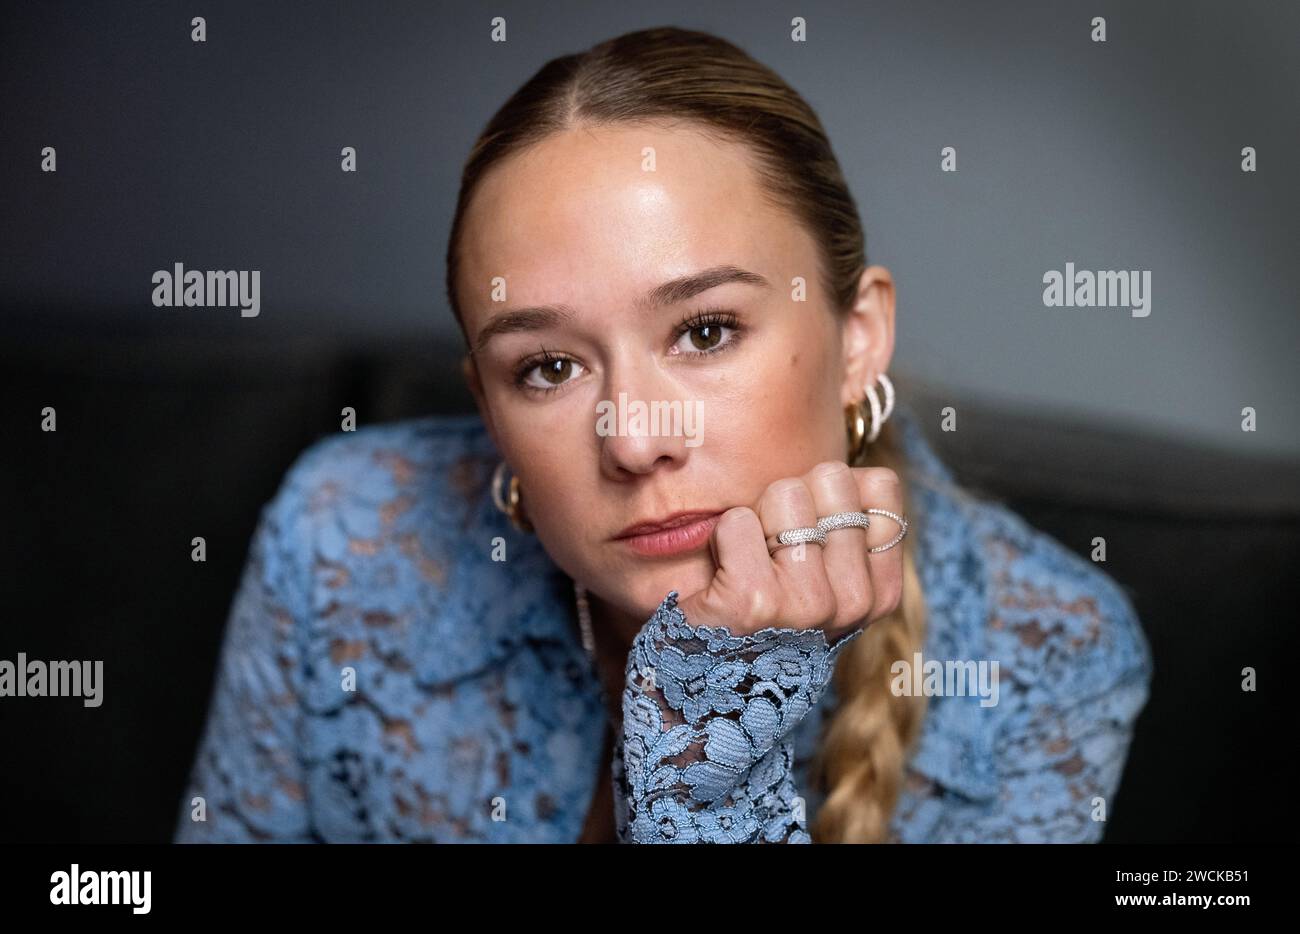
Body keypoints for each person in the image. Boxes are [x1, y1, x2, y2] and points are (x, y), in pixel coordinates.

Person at [173, 26, 1152, 844]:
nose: (635, 442)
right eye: (546, 367)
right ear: (488, 403)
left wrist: (715, 733)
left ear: (858, 340)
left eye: (704, 331)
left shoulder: (1047, 652)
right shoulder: (339, 536)